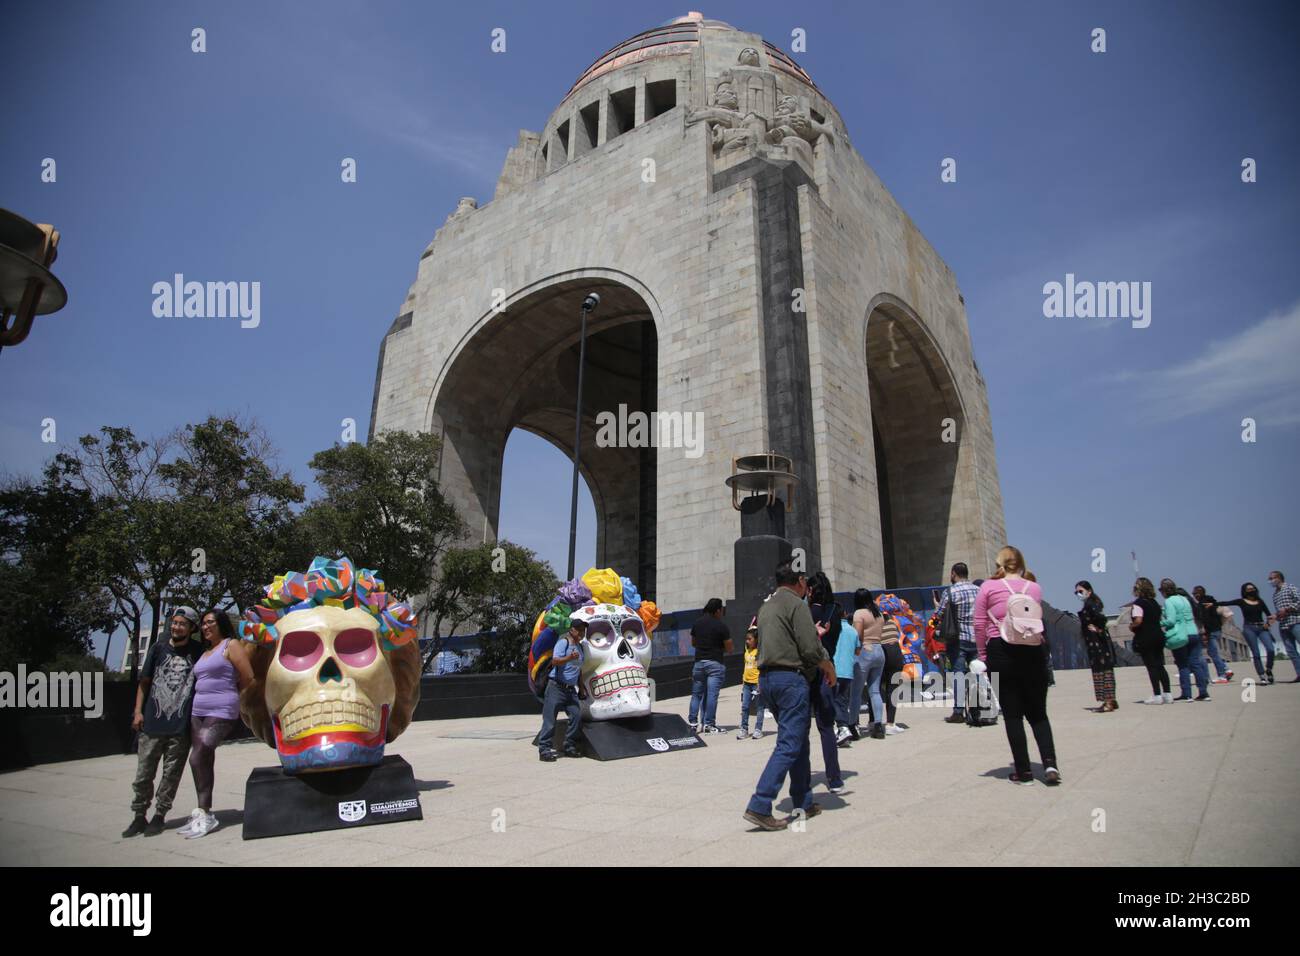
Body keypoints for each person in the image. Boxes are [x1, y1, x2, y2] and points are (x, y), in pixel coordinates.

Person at [743, 563, 836, 831]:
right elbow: (809, 647)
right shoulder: (796, 605)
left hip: (767, 679)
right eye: (805, 582)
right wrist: (827, 666)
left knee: (798, 740)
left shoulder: (766, 607)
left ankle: (803, 801)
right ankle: (760, 805)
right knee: (789, 743)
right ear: (799, 582)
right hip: (790, 679)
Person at [974, 546, 1059, 786]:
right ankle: (1050, 764)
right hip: (1033, 652)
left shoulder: (988, 587)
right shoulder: (1034, 588)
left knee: (1012, 715)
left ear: (999, 563)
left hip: (1000, 651)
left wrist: (982, 654)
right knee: (1039, 714)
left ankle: (1023, 772)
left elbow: (979, 624)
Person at [123, 607, 205, 838]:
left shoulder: (198, 651)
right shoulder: (158, 648)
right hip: (152, 723)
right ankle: (139, 816)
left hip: (180, 726)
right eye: (175, 622)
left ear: (191, 628)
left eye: (182, 623)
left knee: (171, 774)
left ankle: (160, 815)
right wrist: (138, 712)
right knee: (143, 774)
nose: (177, 627)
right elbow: (144, 682)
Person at [179, 609, 254, 838]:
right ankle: (204, 812)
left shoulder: (230, 645)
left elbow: (248, 676)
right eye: (203, 624)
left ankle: (204, 812)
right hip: (198, 711)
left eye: (210, 622)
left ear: (221, 624)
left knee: (196, 756)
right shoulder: (205, 652)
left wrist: (231, 694)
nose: (205, 627)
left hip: (221, 710)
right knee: (204, 759)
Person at [807, 572, 846, 787]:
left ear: (811, 590)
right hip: (829, 668)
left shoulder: (808, 612)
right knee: (826, 727)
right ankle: (835, 777)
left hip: (809, 670)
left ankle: (803, 778)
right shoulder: (835, 612)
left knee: (802, 727)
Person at [536, 619, 587, 761]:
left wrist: (581, 688)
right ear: (572, 630)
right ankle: (544, 750)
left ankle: (569, 745)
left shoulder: (580, 648)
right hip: (556, 688)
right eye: (579, 630)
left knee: (576, 716)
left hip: (570, 690)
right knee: (550, 720)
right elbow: (555, 661)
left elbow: (579, 669)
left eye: (583, 630)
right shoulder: (563, 643)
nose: (582, 633)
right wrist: (569, 657)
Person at [936, 563, 980, 724]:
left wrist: (933, 624)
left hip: (958, 640)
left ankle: (958, 711)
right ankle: (979, 707)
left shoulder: (950, 592)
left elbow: (938, 615)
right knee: (978, 674)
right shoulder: (978, 590)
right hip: (977, 639)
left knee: (959, 675)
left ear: (954, 574)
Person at [1160, 579, 1209, 702]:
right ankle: (1203, 692)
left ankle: (1187, 693)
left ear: (1165, 591)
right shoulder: (1184, 599)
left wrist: (1159, 622)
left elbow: (1171, 620)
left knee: (1183, 665)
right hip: (1193, 632)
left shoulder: (1169, 601)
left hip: (1180, 635)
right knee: (1196, 663)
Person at [688, 598, 732, 733]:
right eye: (721, 611)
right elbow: (729, 647)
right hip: (715, 663)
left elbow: (693, 643)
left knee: (696, 695)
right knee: (712, 695)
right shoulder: (721, 626)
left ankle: (693, 724)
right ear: (718, 610)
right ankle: (709, 724)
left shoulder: (697, 623)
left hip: (699, 663)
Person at [1220, 583, 1276, 684]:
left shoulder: (1260, 601)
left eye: (1253, 588)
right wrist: (1212, 603)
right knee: (1256, 653)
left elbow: (1269, 615)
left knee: (1270, 649)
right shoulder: (1241, 601)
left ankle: (1269, 669)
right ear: (1244, 591)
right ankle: (1261, 675)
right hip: (1249, 628)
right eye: (1249, 589)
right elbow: (1227, 603)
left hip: (1262, 627)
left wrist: (1268, 624)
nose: (1251, 590)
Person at [1076, 581, 1117, 712]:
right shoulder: (1091, 603)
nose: (1078, 594)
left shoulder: (1091, 604)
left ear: (1089, 591)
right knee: (1103, 670)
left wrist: (1098, 629)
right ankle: (1109, 700)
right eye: (1076, 592)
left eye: (1080, 591)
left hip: (1097, 643)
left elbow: (1101, 618)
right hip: (1095, 642)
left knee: (1103, 670)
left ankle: (1108, 701)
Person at [851, 588, 887, 739]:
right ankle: (878, 725)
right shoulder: (878, 613)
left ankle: (852, 724)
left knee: (856, 692)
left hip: (865, 650)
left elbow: (858, 634)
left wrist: (854, 649)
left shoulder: (859, 614)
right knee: (875, 691)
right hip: (879, 650)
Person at [1130, 577, 1170, 703]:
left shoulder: (1138, 603)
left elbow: (1138, 620)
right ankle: (1167, 694)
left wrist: (1132, 626)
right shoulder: (1154, 603)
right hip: (1158, 636)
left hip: (1145, 637)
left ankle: (1157, 695)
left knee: (1151, 666)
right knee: (1160, 665)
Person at [1192, 586, 1234, 684]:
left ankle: (1222, 675)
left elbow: (1206, 619)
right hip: (1217, 629)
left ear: (1199, 593)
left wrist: (1206, 632)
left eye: (1195, 594)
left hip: (1212, 631)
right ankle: (1226, 669)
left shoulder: (1203, 604)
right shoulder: (1212, 601)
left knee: (1213, 653)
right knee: (1212, 652)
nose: (1195, 596)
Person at [1267, 571, 1300, 682]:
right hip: (1284, 625)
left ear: (1279, 578)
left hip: (1295, 621)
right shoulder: (1275, 594)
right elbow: (1279, 611)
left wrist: (1286, 609)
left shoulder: (1290, 588)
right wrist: (1275, 616)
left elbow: (1298, 602)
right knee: (1291, 651)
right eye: (1270, 579)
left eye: (1272, 578)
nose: (1271, 580)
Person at [737, 623, 765, 738]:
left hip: (757, 683)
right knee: (745, 706)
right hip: (747, 683)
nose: (747, 641)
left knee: (759, 707)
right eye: (746, 639)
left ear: (756, 640)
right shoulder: (747, 651)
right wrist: (743, 680)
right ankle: (744, 729)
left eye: (750, 639)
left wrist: (760, 682)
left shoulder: (759, 652)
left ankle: (758, 729)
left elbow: (762, 668)